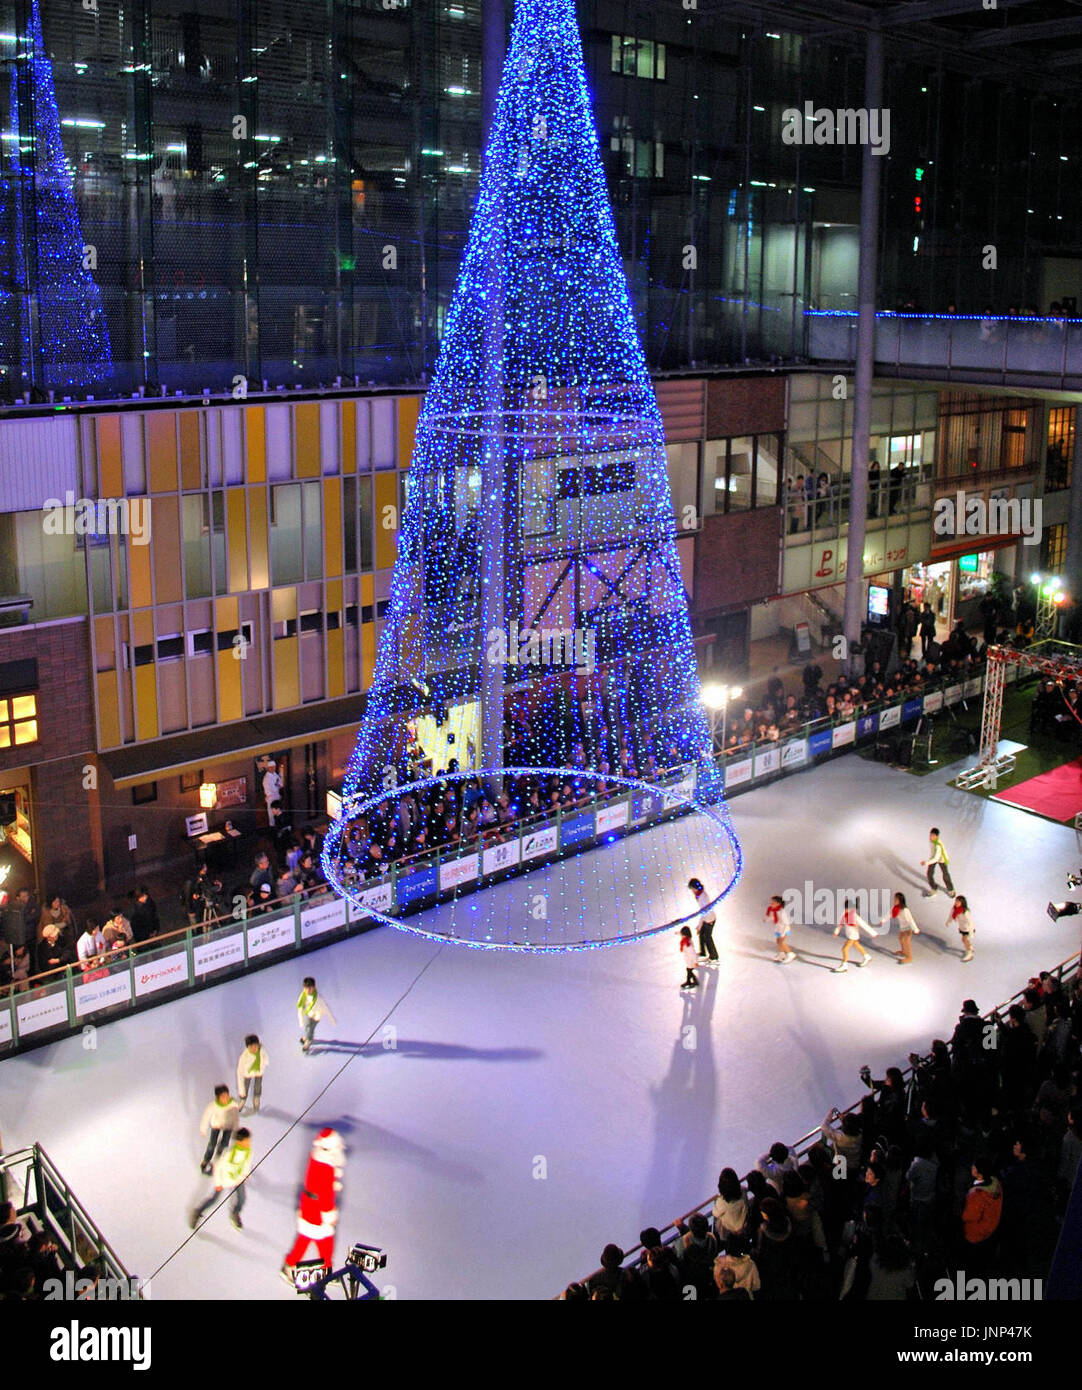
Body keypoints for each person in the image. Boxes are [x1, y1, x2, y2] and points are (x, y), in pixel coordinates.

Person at [280, 1129, 346, 1283]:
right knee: (314, 1238)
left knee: (318, 1239)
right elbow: (326, 1196)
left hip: (309, 1205)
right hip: (317, 1210)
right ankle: (290, 1265)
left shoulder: (317, 1156)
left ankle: (324, 1267)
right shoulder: (326, 1166)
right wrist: (331, 1215)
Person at [190, 1129, 252, 1232]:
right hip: (225, 1179)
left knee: (242, 1199)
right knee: (214, 1199)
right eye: (247, 1140)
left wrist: (246, 1173)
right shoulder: (230, 1154)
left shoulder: (248, 1151)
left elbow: (247, 1162)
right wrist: (218, 1183)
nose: (248, 1142)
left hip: (238, 1179)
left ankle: (235, 1213)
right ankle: (197, 1212)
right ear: (240, 1141)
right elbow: (218, 1167)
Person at [199, 1084, 240, 1175]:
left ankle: (218, 1157)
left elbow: (235, 1118)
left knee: (224, 1143)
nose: (226, 1099)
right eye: (223, 1097)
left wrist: (236, 1130)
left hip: (228, 1126)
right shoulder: (213, 1106)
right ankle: (206, 1159)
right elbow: (206, 1117)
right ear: (218, 1097)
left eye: (227, 1096)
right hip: (216, 1125)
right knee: (212, 1144)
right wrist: (203, 1129)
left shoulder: (233, 1104)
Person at [832, 896, 878, 972]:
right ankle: (867, 957)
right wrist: (836, 932)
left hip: (853, 936)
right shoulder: (844, 915)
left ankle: (844, 965)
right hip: (850, 935)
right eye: (845, 908)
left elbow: (864, 925)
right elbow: (840, 925)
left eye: (847, 908)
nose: (846, 910)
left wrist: (873, 933)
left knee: (845, 949)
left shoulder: (855, 917)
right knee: (857, 945)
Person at [297, 976, 337, 1053]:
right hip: (309, 1013)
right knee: (308, 1027)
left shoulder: (318, 999)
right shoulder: (303, 996)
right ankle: (308, 1037)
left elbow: (326, 1009)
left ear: (314, 987)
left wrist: (332, 1019)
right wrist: (301, 1019)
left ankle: (308, 1041)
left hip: (316, 1015)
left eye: (310, 988)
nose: (308, 990)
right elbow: (300, 1008)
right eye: (306, 988)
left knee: (310, 1028)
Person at [879, 891, 920, 964]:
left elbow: (910, 920)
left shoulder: (905, 910)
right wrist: (883, 920)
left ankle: (909, 957)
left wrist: (915, 929)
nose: (894, 901)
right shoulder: (895, 908)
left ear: (900, 901)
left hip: (908, 928)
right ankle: (903, 952)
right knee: (901, 938)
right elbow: (890, 914)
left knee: (906, 942)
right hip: (902, 928)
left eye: (896, 900)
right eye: (894, 899)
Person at [687, 877, 718, 966]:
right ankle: (703, 952)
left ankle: (714, 956)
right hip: (706, 918)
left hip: (709, 919)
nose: (692, 891)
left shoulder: (703, 898)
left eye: (692, 889)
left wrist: (699, 926)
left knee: (707, 938)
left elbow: (704, 914)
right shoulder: (699, 895)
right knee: (701, 935)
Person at [236, 1034, 269, 1115]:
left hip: (258, 1071)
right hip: (247, 1073)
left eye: (255, 1046)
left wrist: (264, 1064)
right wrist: (241, 1091)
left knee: (258, 1086)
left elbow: (266, 1057)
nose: (254, 1049)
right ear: (247, 1047)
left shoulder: (262, 1050)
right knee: (245, 1086)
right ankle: (242, 1100)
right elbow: (239, 1072)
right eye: (251, 1047)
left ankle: (256, 1098)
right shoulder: (244, 1056)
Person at [921, 826, 955, 897]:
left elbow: (937, 858)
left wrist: (927, 862)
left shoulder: (938, 845)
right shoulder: (931, 841)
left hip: (942, 859)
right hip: (934, 857)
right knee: (929, 873)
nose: (931, 837)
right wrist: (930, 860)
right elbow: (933, 852)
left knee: (945, 875)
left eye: (933, 836)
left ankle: (951, 889)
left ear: (937, 836)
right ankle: (934, 888)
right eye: (930, 835)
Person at [765, 893, 796, 963]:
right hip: (779, 928)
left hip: (784, 929)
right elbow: (773, 917)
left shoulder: (782, 912)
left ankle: (790, 954)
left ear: (778, 904)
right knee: (778, 942)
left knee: (782, 942)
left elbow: (786, 923)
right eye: (771, 903)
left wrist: (783, 932)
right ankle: (781, 954)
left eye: (773, 903)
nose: (771, 904)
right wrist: (767, 919)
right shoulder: (775, 911)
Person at [948, 894, 975, 962]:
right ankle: (970, 947)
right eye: (956, 901)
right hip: (962, 927)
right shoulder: (955, 909)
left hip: (968, 929)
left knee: (964, 939)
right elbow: (951, 915)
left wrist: (971, 933)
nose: (956, 903)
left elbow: (970, 922)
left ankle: (969, 952)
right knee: (964, 939)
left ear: (962, 903)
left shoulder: (965, 912)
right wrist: (948, 921)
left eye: (958, 902)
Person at [262, 760, 284, 827]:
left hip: (277, 796)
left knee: (279, 812)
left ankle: (279, 826)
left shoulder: (275, 774)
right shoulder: (266, 778)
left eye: (274, 767)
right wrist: (278, 786)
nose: (273, 768)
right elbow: (273, 788)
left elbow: (281, 784)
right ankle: (272, 827)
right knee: (271, 814)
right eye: (271, 767)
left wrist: (278, 785)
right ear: (268, 768)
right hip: (271, 797)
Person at [677, 925, 699, 990]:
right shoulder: (685, 940)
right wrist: (677, 933)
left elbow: (693, 953)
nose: (681, 936)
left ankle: (689, 982)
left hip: (691, 960)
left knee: (689, 970)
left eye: (682, 934)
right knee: (689, 970)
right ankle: (694, 981)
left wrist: (695, 962)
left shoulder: (687, 943)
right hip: (688, 959)